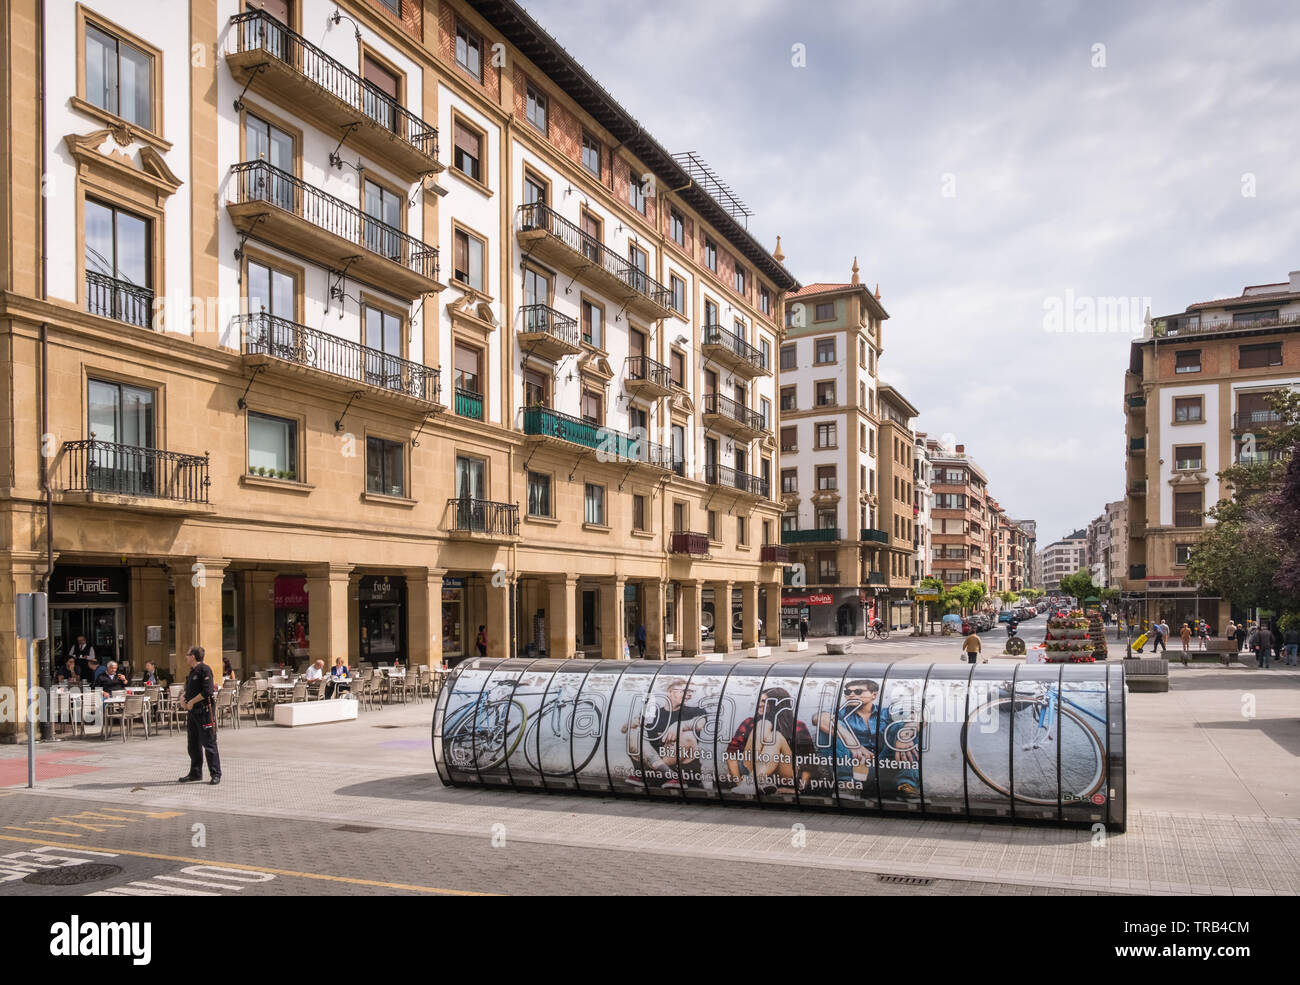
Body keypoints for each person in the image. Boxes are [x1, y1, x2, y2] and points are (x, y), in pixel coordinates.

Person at [178, 646, 221, 785]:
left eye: (187, 654)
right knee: (193, 745)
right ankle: (195, 773)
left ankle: (215, 774)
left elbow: (207, 691)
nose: (185, 657)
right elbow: (188, 690)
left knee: (209, 744)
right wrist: (183, 699)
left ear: (193, 657)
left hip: (204, 712)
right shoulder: (192, 672)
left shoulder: (204, 669)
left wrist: (192, 701)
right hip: (193, 713)